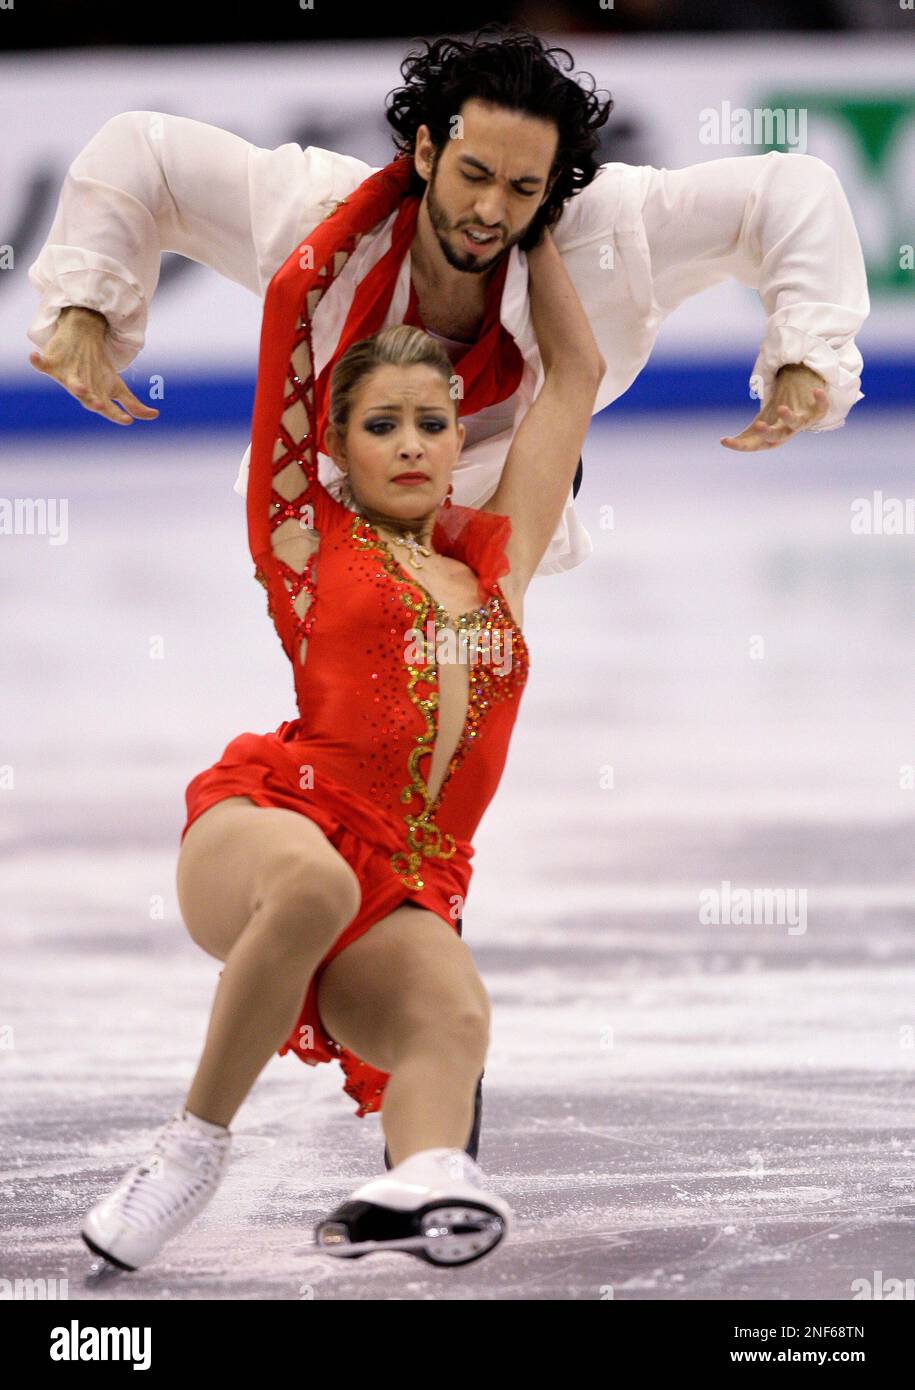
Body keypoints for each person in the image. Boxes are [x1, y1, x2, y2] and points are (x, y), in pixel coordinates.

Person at [29, 26, 867, 1172]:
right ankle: (372, 1004)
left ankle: (419, 1064)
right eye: (473, 172)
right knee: (363, 731)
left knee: (442, 745)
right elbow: (148, 159)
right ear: (424, 149)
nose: (491, 207)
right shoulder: (312, 208)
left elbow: (790, 189)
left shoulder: (610, 232)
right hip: (334, 502)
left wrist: (807, 348)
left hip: (504, 498)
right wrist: (86, 299)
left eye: (524, 187)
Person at [79, 219, 605, 1271]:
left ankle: (422, 1182)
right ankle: (190, 1150)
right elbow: (288, 308)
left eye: (430, 421)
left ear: (461, 440)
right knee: (314, 883)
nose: (410, 442)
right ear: (342, 446)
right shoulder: (304, 543)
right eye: (380, 425)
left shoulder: (498, 564)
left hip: (407, 877)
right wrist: (399, 193)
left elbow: (576, 372)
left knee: (455, 1018)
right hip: (271, 824)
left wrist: (535, 223)